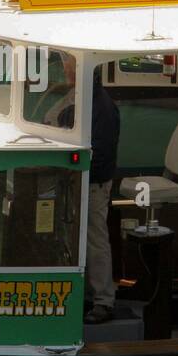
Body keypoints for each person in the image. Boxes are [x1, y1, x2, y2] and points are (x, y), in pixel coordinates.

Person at [55, 57, 120, 324]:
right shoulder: (77, 97)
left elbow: (102, 155)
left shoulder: (102, 107)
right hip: (78, 182)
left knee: (95, 239)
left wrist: (76, 174)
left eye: (70, 66)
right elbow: (56, 121)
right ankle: (82, 293)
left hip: (93, 185)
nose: (65, 70)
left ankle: (104, 301)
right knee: (77, 238)